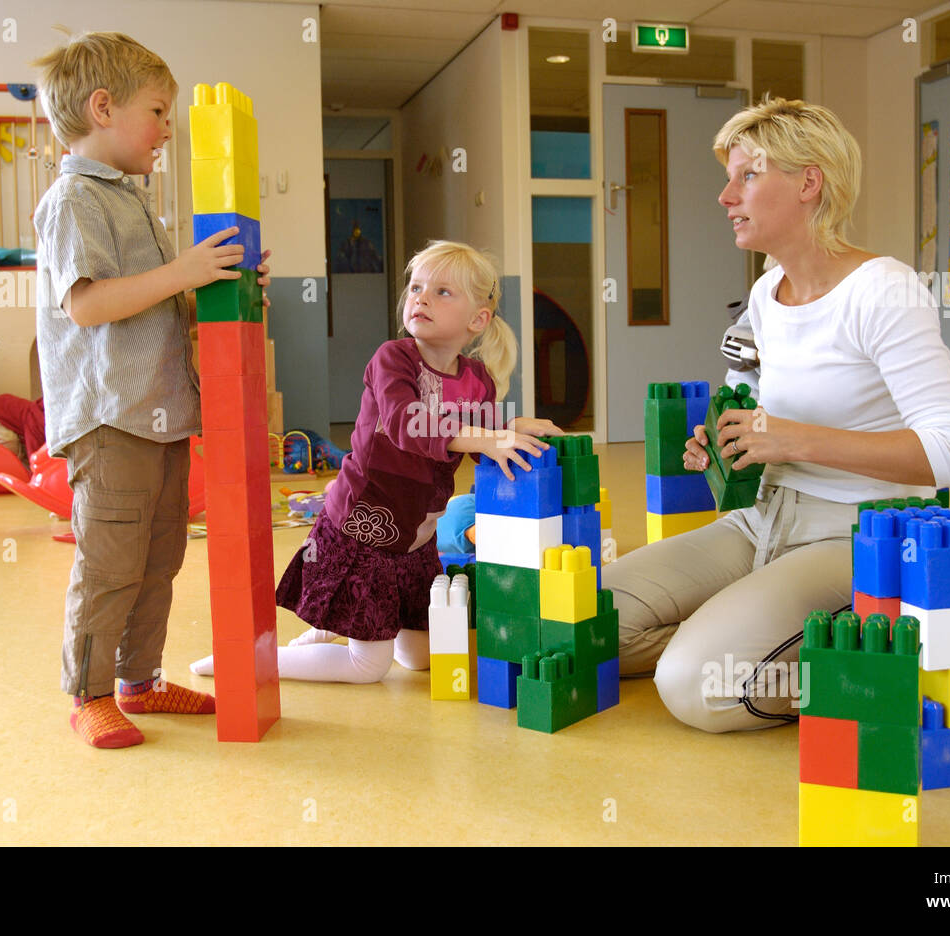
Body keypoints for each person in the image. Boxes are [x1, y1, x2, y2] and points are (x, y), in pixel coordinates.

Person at [602, 97, 950, 733]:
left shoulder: (882, 289)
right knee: (583, 623)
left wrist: (791, 441)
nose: (726, 196)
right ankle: (733, 645)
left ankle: (873, 666)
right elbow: (747, 403)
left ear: (809, 182)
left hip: (853, 532)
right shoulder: (764, 291)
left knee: (698, 688)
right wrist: (721, 440)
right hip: (760, 520)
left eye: (746, 176)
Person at [32, 30, 271, 748]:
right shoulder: (74, 199)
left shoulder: (133, 199)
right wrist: (184, 272)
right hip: (112, 419)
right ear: (103, 108)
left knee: (160, 555)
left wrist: (214, 288)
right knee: (110, 562)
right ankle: (90, 692)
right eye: (159, 112)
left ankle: (140, 677)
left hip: (162, 416)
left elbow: (156, 302)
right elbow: (89, 304)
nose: (169, 129)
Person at [191, 241, 561, 683]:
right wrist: (490, 434)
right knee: (368, 667)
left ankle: (330, 629)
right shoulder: (394, 358)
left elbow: (468, 426)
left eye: (443, 292)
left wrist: (511, 425)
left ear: (477, 320)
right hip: (361, 529)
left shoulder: (476, 379)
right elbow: (409, 423)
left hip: (414, 539)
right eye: (416, 287)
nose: (420, 297)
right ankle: (244, 661)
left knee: (420, 659)